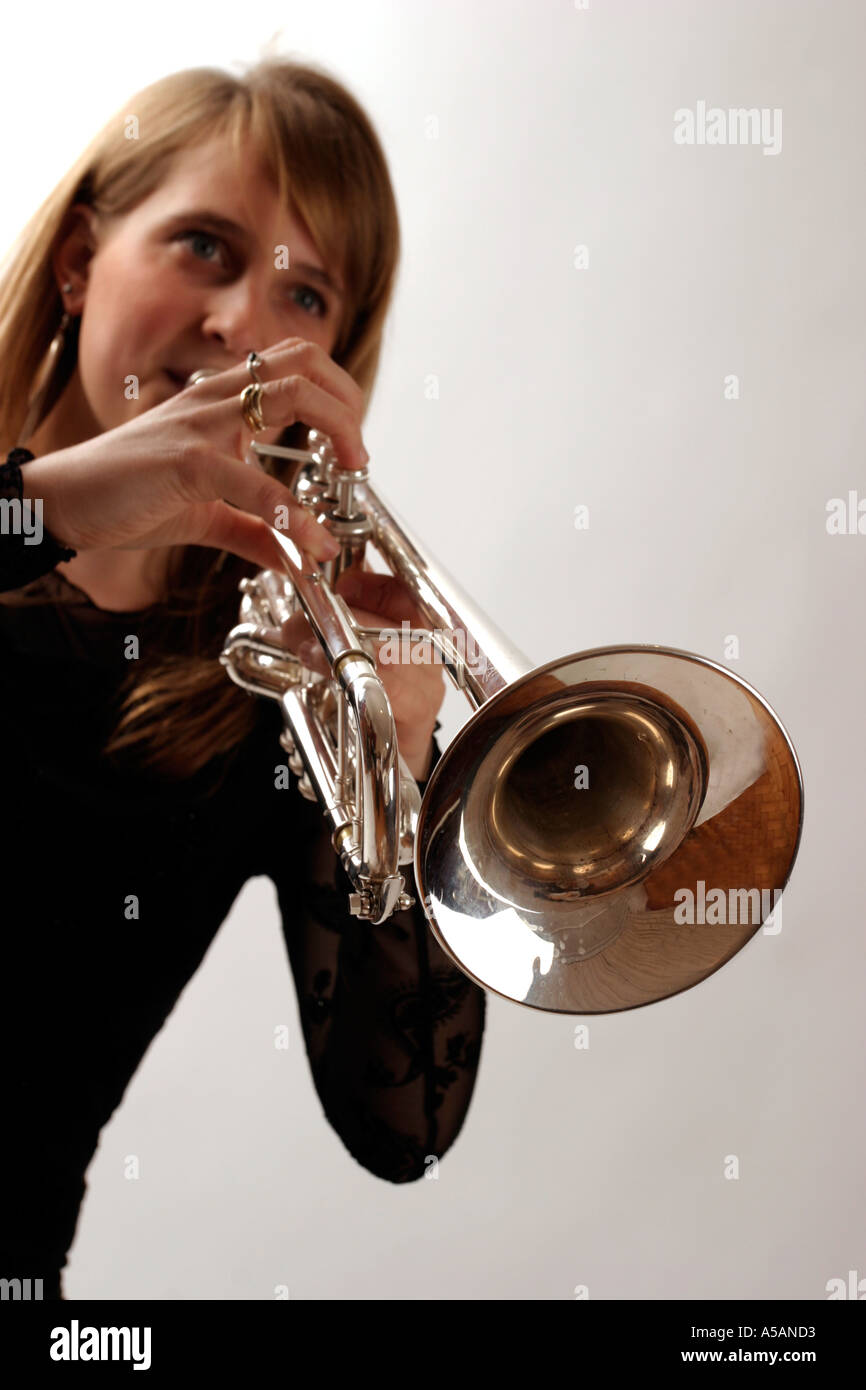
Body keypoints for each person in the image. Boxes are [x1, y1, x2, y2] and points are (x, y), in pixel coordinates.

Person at [0, 57, 486, 1300]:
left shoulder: (266, 683)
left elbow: (403, 1127)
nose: (241, 330)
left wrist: (404, 756)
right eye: (205, 248)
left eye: (306, 292)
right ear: (79, 261)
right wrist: (48, 504)